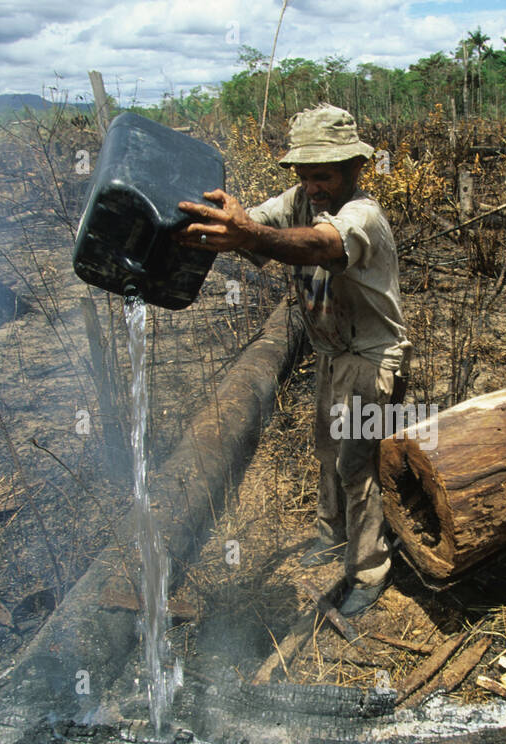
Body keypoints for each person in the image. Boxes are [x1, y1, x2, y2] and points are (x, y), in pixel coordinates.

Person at [174, 104, 409, 617]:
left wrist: (250, 236)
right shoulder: (297, 199)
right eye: (304, 176)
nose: (312, 187)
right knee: (327, 450)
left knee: (357, 465)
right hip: (331, 354)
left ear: (354, 168)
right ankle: (331, 535)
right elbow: (254, 221)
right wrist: (219, 222)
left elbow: (320, 245)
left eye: (322, 176)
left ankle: (369, 570)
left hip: (372, 361)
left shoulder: (362, 215)